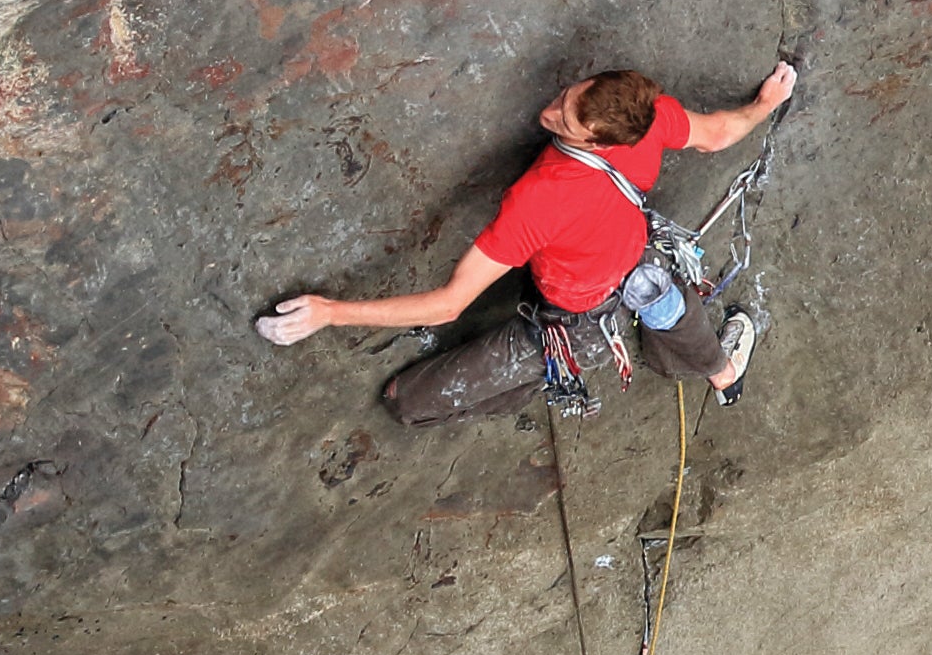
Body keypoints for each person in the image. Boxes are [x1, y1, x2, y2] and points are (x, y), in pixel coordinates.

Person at [258, 62, 794, 420]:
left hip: (578, 318)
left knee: (405, 403)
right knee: (660, 294)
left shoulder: (540, 198)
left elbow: (449, 305)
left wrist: (330, 312)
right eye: (568, 95)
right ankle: (711, 367)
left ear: (597, 140)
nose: (552, 110)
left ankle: (722, 372)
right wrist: (764, 104)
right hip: (632, 258)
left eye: (567, 118)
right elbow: (720, 133)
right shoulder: (644, 117)